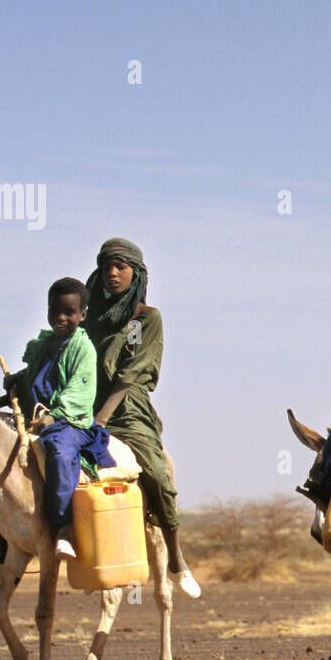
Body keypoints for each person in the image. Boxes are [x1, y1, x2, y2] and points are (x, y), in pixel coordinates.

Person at [0, 277, 115, 590]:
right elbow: (34, 380)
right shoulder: (42, 346)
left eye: (69, 312)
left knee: (59, 451)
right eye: (55, 310)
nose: (61, 317)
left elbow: (78, 391)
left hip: (69, 423)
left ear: (82, 314)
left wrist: (52, 416)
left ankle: (64, 528)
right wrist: (15, 383)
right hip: (33, 419)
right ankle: (0, 552)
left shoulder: (83, 349)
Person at [84, 238, 200, 599]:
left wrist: (102, 419)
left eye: (120, 266)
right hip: (84, 404)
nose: (112, 273)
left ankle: (176, 558)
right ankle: (7, 551)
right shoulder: (88, 320)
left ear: (136, 272)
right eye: (106, 267)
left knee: (157, 473)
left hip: (126, 409)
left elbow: (131, 372)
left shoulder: (145, 319)